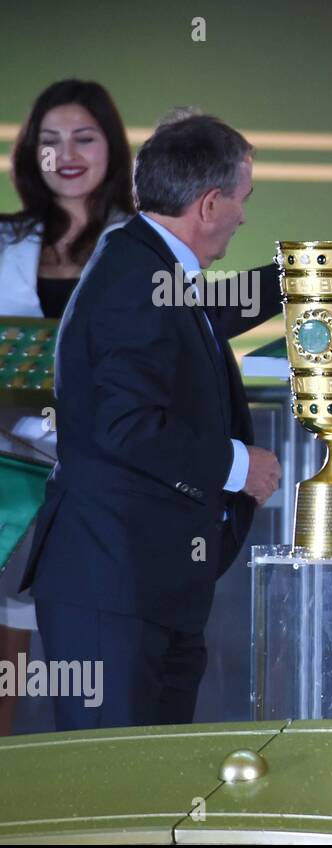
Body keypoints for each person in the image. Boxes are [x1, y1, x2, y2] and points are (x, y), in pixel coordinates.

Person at [19, 111, 285, 730]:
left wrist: (309, 275)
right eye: (243, 200)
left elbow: (201, 317)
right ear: (211, 203)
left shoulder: (146, 266)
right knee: (113, 801)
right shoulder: (134, 279)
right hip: (113, 592)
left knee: (152, 794)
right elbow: (127, 426)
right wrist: (240, 466)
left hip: (144, 586)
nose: (244, 216)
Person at [0, 79, 134, 735]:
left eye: (83, 137)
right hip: (7, 481)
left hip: (104, 486)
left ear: (111, 145)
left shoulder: (140, 245)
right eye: (49, 141)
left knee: (93, 691)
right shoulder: (3, 240)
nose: (66, 154)